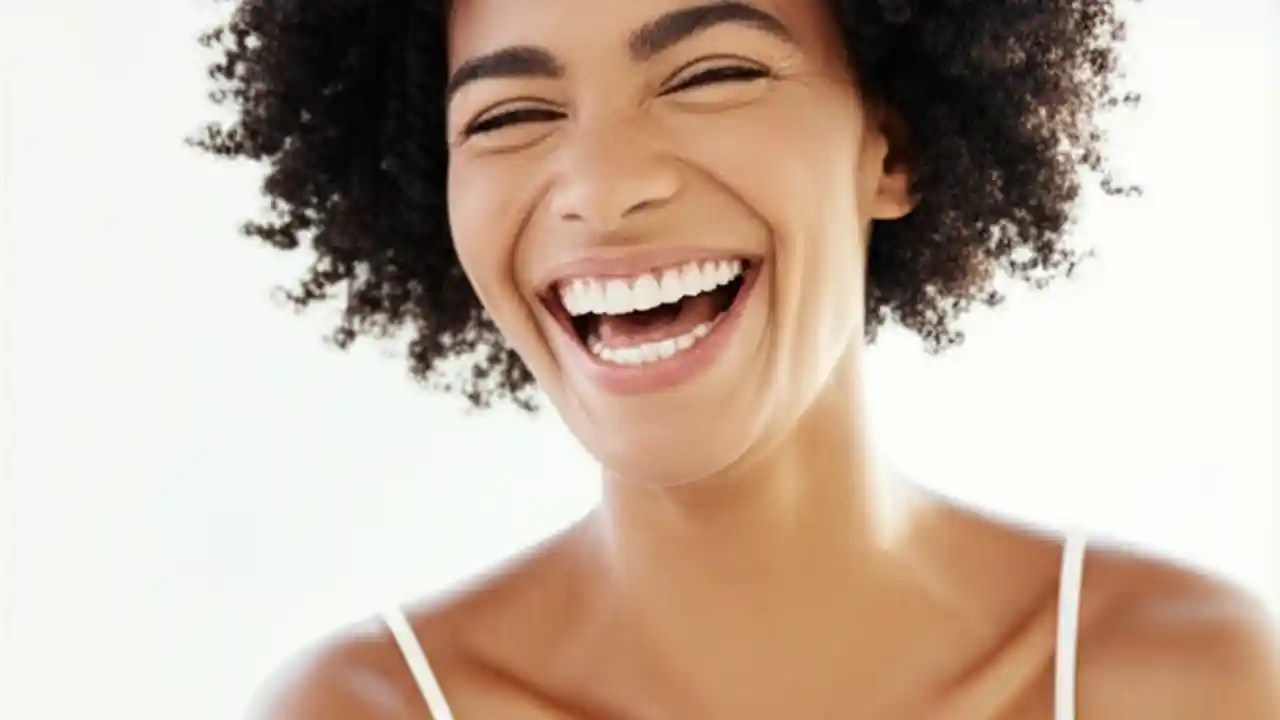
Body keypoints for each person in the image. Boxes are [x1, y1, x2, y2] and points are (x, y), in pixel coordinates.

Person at [190, 0, 1279, 717]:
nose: (601, 187)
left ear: (891, 148)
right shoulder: (363, 711)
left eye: (710, 75)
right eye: (509, 115)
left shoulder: (1185, 684)